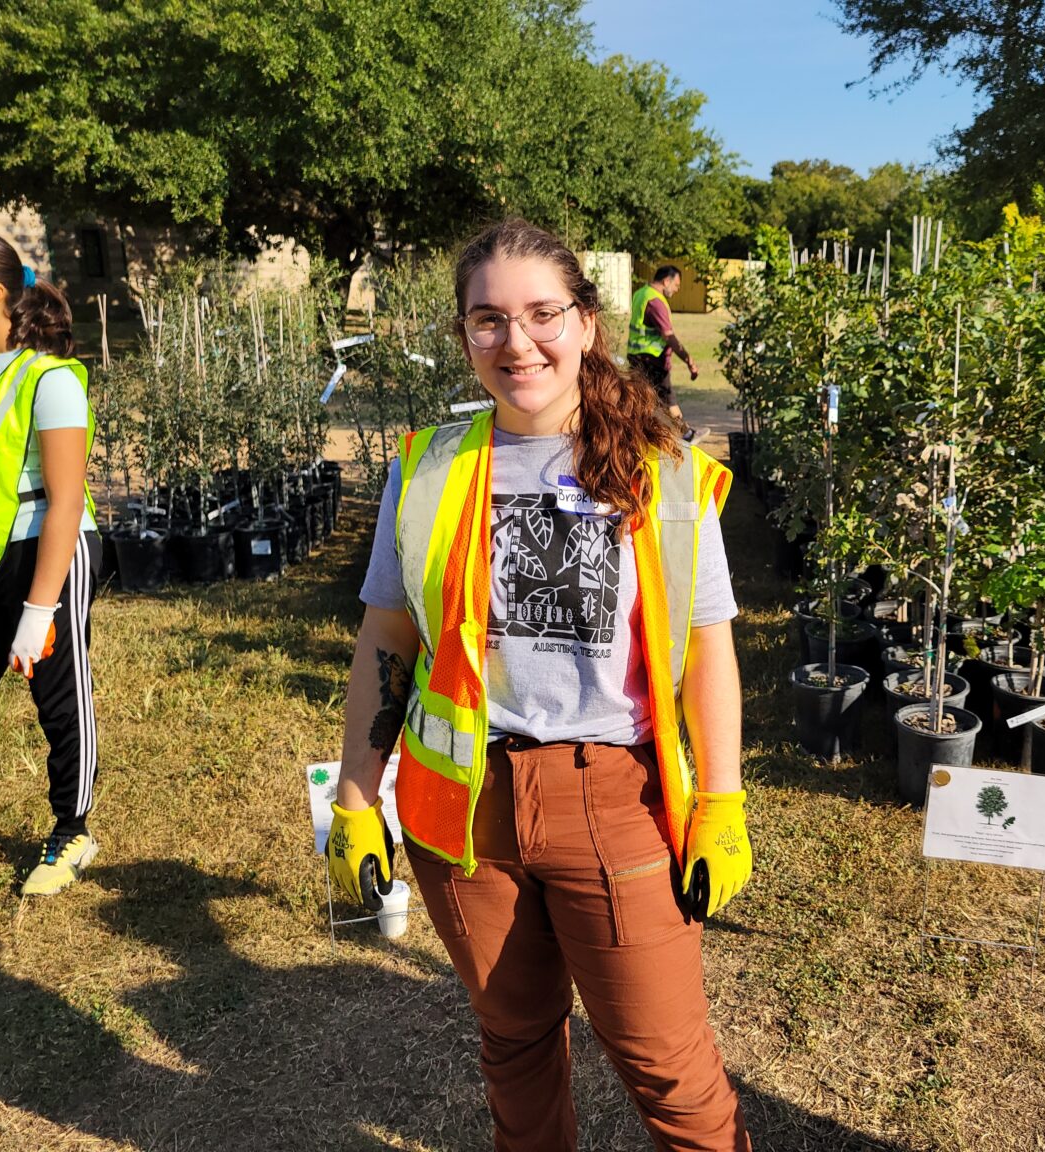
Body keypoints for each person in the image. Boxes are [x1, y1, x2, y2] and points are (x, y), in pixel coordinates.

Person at [329, 219, 753, 1150]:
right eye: (488, 320)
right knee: (514, 1047)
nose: (516, 343)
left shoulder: (664, 467)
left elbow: (709, 644)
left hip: (615, 803)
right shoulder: (429, 467)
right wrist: (359, 803)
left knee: (668, 1071)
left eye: (541, 314)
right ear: (464, 333)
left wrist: (721, 802)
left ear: (588, 322)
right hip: (464, 811)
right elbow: (387, 638)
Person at [0, 230, 102, 891]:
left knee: (59, 695)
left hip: (47, 552)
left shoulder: (50, 380)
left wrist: (38, 610)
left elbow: (67, 503)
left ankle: (71, 832)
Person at [628, 265, 700, 442]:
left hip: (637, 356)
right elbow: (668, 335)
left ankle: (642, 437)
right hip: (653, 359)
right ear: (666, 281)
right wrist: (687, 359)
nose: (676, 290)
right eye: (676, 285)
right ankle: (686, 435)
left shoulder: (641, 293)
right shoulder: (656, 301)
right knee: (668, 399)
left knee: (643, 400)